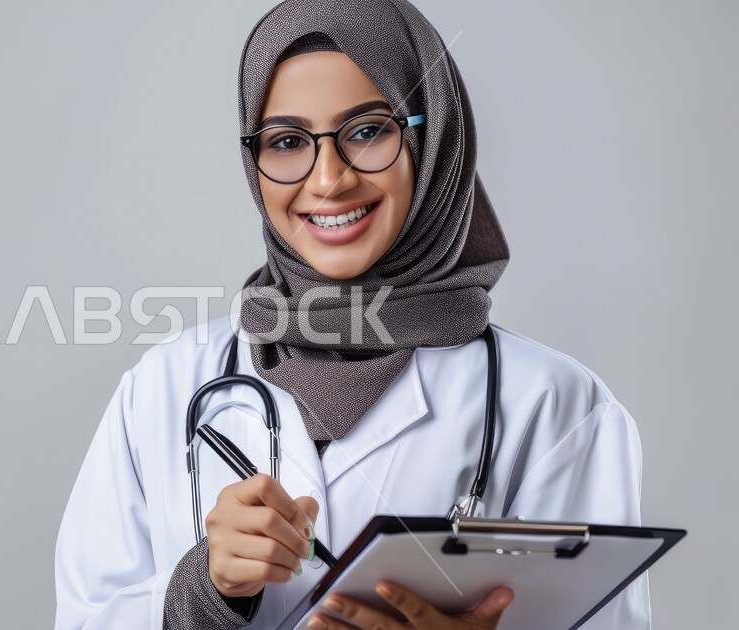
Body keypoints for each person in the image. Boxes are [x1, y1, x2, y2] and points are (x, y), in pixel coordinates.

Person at [53, 0, 649, 628]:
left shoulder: (555, 406)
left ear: (431, 139)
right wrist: (203, 593)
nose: (328, 179)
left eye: (367, 130)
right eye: (286, 142)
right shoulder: (164, 388)